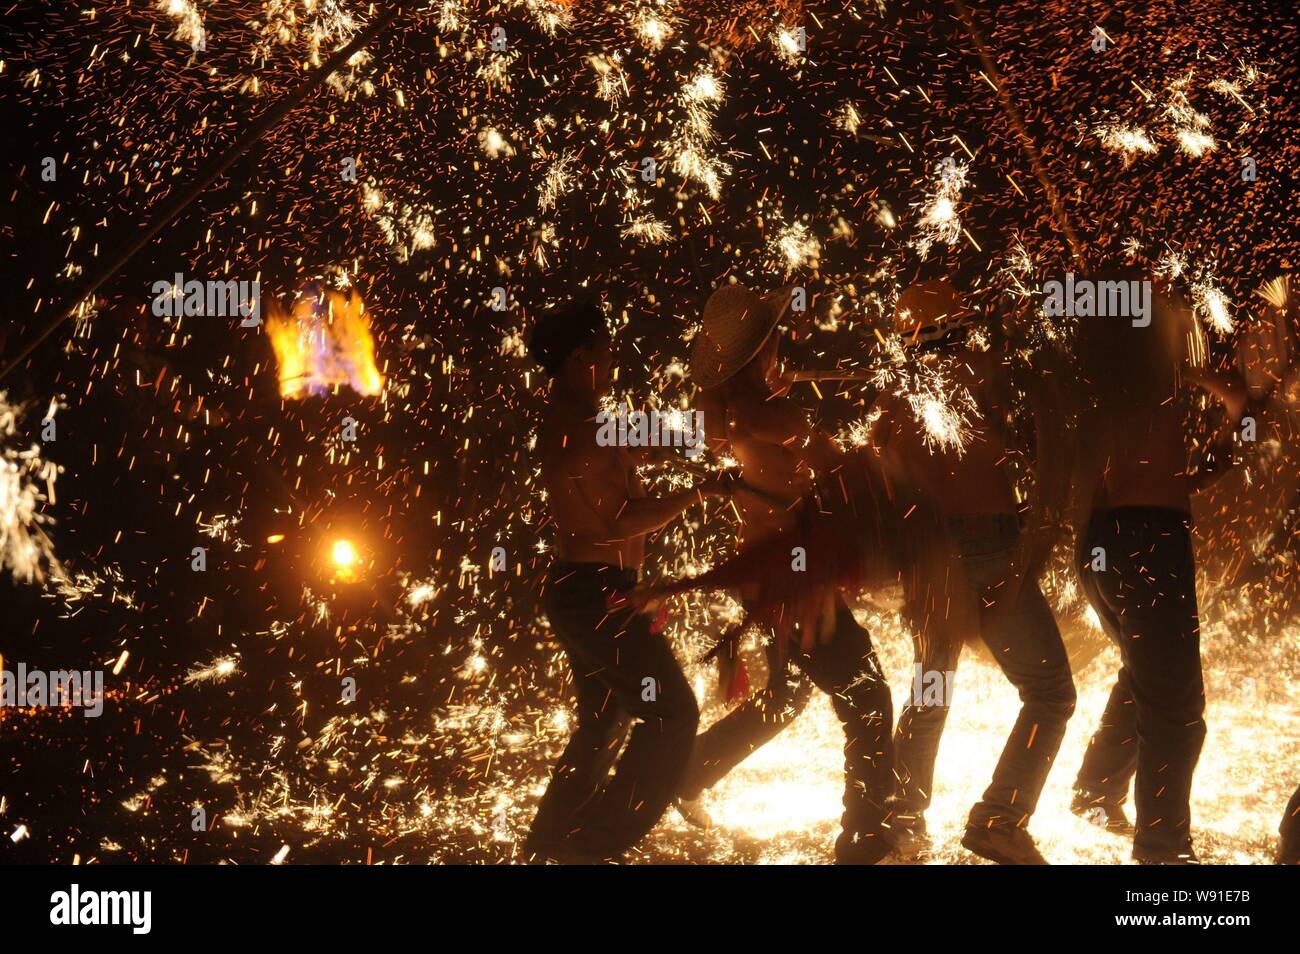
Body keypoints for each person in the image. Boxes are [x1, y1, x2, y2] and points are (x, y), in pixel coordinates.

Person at [676, 281, 900, 864]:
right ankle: (865, 836)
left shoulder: (725, 415)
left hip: (768, 573)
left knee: (787, 694)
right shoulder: (775, 415)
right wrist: (881, 428)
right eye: (775, 340)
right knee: (869, 698)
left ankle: (688, 772)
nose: (783, 349)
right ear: (761, 352)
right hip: (792, 580)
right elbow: (841, 469)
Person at [871, 278, 1076, 865]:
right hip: (987, 548)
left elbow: (880, 471)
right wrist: (1012, 329)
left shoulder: (894, 402)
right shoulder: (977, 370)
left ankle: (899, 817)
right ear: (952, 329)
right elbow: (1036, 379)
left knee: (931, 690)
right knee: (1050, 692)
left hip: (930, 558)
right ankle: (998, 818)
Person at [522, 297, 730, 863]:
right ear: (579, 356)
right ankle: (591, 847)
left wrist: (710, 426)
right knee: (673, 714)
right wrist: (700, 492)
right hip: (595, 593)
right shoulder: (583, 432)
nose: (614, 360)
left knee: (604, 721)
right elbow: (620, 522)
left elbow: (658, 437)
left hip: (586, 591)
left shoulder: (590, 421)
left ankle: (549, 845)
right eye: (606, 350)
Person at [1068, 271, 1247, 864]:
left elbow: (1190, 465)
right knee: (1176, 707)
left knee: (1143, 671)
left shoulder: (1090, 379)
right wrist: (1232, 402)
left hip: (1100, 543)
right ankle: (1162, 850)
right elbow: (1240, 412)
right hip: (1150, 545)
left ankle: (1096, 788)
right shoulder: (1161, 376)